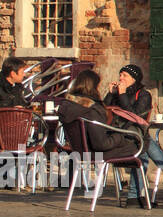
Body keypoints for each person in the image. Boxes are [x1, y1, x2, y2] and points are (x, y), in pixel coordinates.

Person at [55, 70, 150, 208]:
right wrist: (120, 137)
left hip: (79, 151)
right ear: (93, 87)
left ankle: (135, 196)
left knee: (140, 143)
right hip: (97, 152)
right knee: (142, 145)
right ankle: (134, 197)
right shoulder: (92, 109)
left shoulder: (68, 105)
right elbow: (102, 144)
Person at [103, 64, 163, 192]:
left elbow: (134, 116)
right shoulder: (116, 94)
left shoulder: (143, 95)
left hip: (132, 135)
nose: (120, 78)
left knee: (142, 142)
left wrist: (122, 95)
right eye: (120, 75)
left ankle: (136, 195)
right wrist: (110, 94)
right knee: (144, 141)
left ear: (134, 79)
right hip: (116, 136)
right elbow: (103, 113)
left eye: (125, 75)